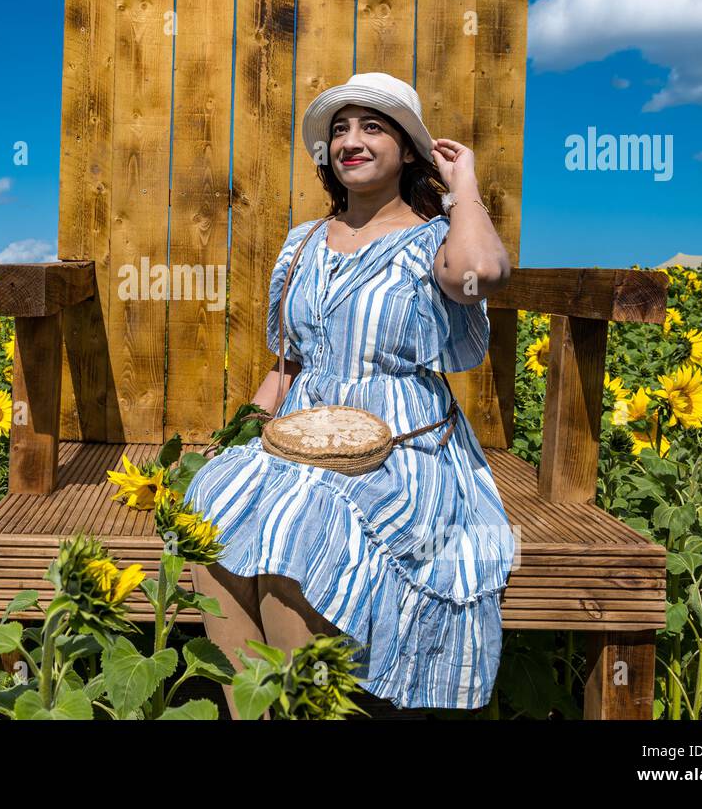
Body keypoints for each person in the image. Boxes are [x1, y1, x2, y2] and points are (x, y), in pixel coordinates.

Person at [184, 72, 518, 718]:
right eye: (340, 129)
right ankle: (254, 709)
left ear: (409, 152)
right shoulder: (304, 241)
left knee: (301, 520)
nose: (351, 141)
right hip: (301, 430)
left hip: (398, 444)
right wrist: (242, 436)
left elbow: (481, 275)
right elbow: (287, 362)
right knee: (210, 506)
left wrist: (464, 187)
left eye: (373, 127)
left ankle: (310, 706)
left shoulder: (435, 241)